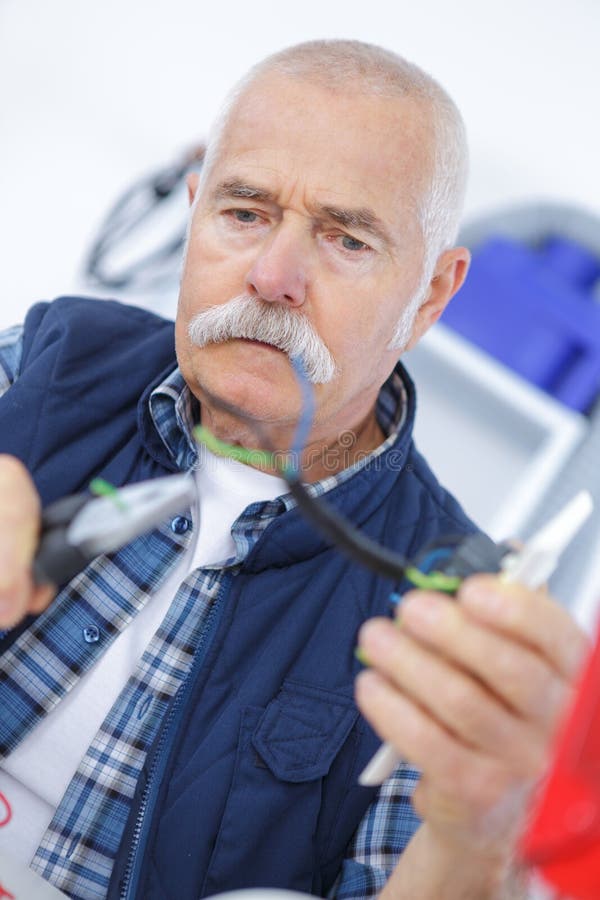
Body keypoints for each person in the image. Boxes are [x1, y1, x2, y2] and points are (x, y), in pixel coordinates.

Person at [0, 39, 587, 900]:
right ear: (196, 211)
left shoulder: (445, 619)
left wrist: (475, 834)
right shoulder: (47, 358)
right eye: (243, 214)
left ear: (430, 298)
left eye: (347, 240)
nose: (272, 277)